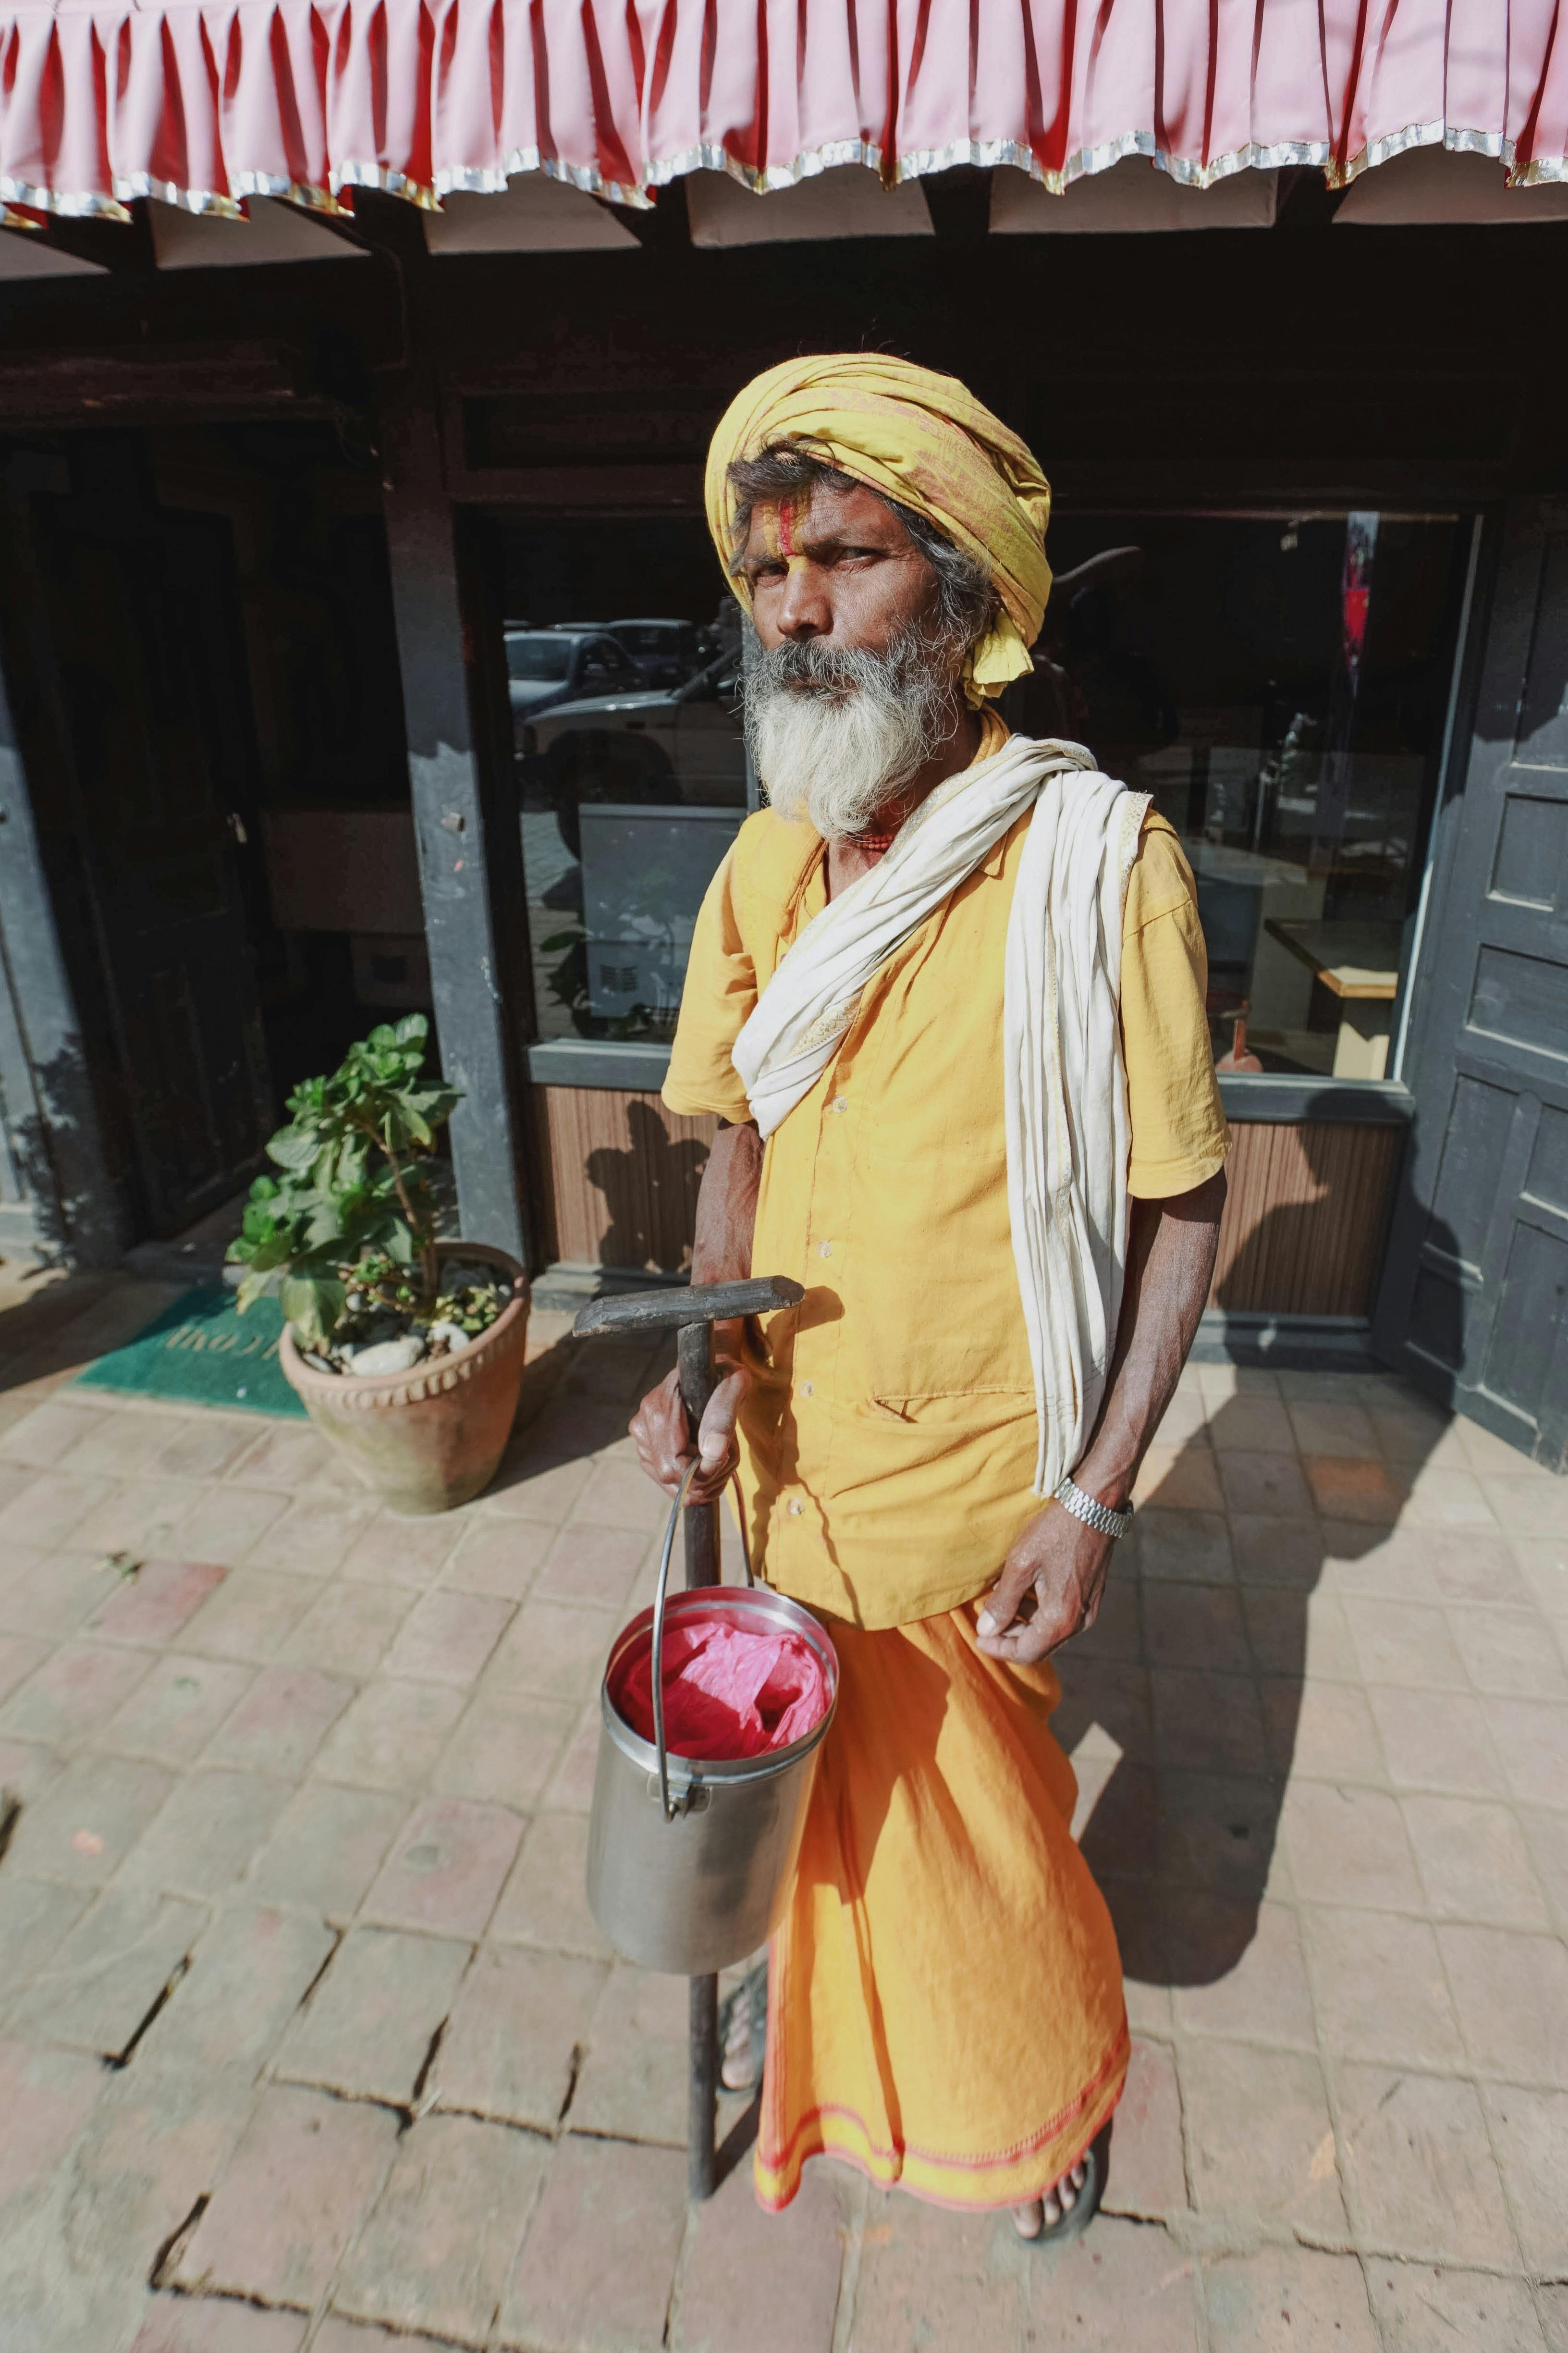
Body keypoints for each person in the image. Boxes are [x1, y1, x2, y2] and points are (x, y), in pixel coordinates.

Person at [629, 355, 1230, 2239]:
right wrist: (703, 1370)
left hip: (984, 1496)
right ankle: (807, 2045)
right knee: (808, 1825)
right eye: (768, 569)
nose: (796, 607)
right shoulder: (758, 871)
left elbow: (1188, 1212)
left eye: (848, 557)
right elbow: (728, 1149)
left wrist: (1096, 1494)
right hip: (792, 1484)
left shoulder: (1099, 868)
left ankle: (1037, 2096)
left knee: (982, 1860)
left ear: (960, 593)